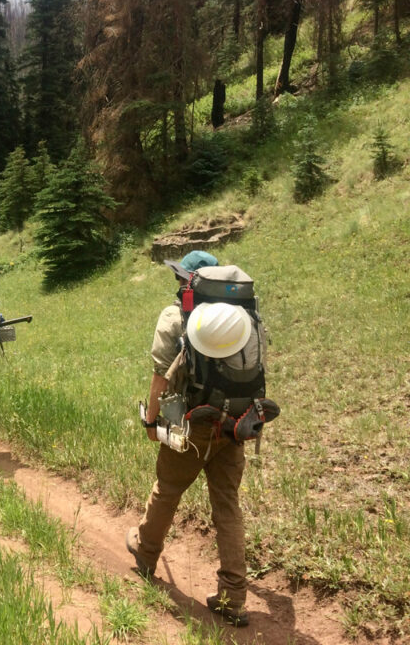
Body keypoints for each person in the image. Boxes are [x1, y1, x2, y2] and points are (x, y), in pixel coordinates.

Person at [127, 249, 251, 628]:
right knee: (227, 505)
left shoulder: (175, 315)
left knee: (167, 488)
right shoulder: (241, 318)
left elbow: (159, 378)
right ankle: (233, 596)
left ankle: (146, 553)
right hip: (235, 423)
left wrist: (151, 422)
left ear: (189, 282)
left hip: (193, 423)